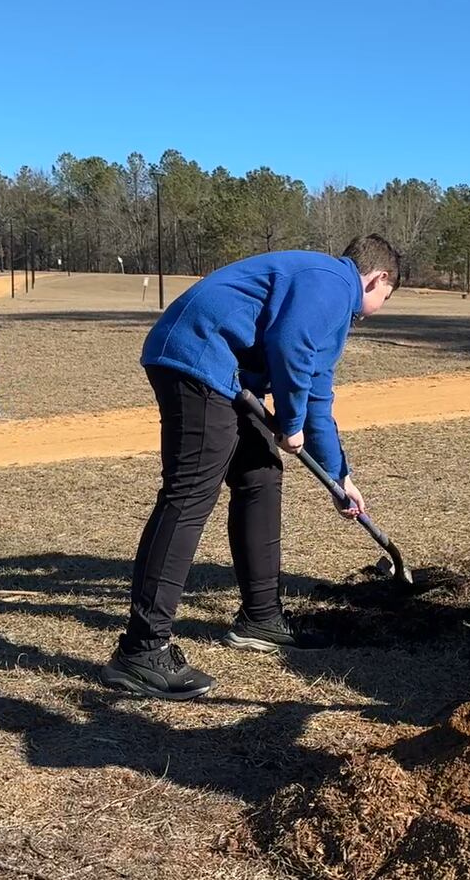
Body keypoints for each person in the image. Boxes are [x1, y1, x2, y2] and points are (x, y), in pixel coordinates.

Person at [98, 235, 403, 701]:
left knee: (260, 473)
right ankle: (141, 652)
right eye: (387, 296)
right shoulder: (332, 282)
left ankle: (261, 618)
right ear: (378, 278)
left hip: (226, 374)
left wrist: (340, 476)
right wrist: (292, 421)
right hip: (196, 359)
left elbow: (317, 389)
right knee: (189, 497)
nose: (379, 305)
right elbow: (290, 344)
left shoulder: (331, 300)